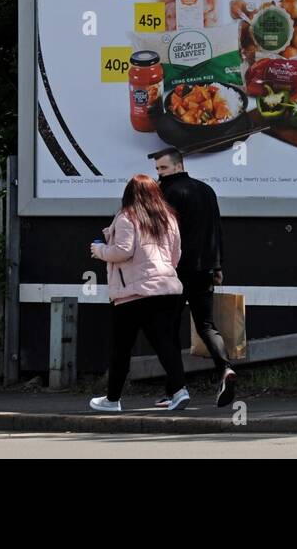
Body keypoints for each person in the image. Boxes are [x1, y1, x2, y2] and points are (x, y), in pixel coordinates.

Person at [88, 173, 190, 413]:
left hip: (133, 293)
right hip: (167, 289)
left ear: (129, 195)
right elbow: (176, 255)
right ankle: (179, 391)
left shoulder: (127, 217)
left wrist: (100, 250)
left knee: (122, 348)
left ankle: (112, 400)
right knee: (166, 344)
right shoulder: (169, 218)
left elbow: (122, 251)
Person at [153, 147, 236, 407]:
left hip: (175, 271)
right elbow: (216, 230)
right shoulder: (206, 190)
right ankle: (225, 369)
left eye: (163, 168)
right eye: (157, 169)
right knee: (206, 326)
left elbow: (161, 233)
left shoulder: (166, 193)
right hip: (204, 269)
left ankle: (176, 389)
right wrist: (218, 266)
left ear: (178, 166)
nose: (159, 174)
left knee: (168, 329)